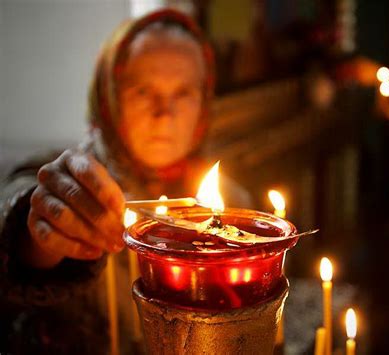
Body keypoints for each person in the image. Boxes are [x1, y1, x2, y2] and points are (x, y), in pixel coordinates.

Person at [0, 9, 251, 354]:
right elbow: (17, 200)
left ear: (205, 103)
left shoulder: (234, 208)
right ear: (109, 97)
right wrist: (38, 231)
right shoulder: (71, 179)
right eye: (143, 91)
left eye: (183, 93)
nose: (164, 112)